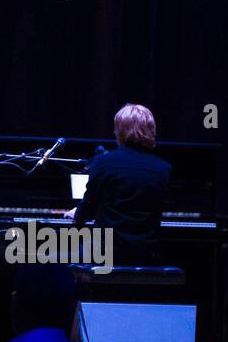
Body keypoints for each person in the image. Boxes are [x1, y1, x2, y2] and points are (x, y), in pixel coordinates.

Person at [66, 103, 171, 265]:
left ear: (119, 131)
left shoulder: (103, 163)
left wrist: (77, 214)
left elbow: (87, 208)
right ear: (151, 130)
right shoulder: (163, 168)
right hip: (146, 253)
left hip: (104, 252)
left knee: (60, 255)